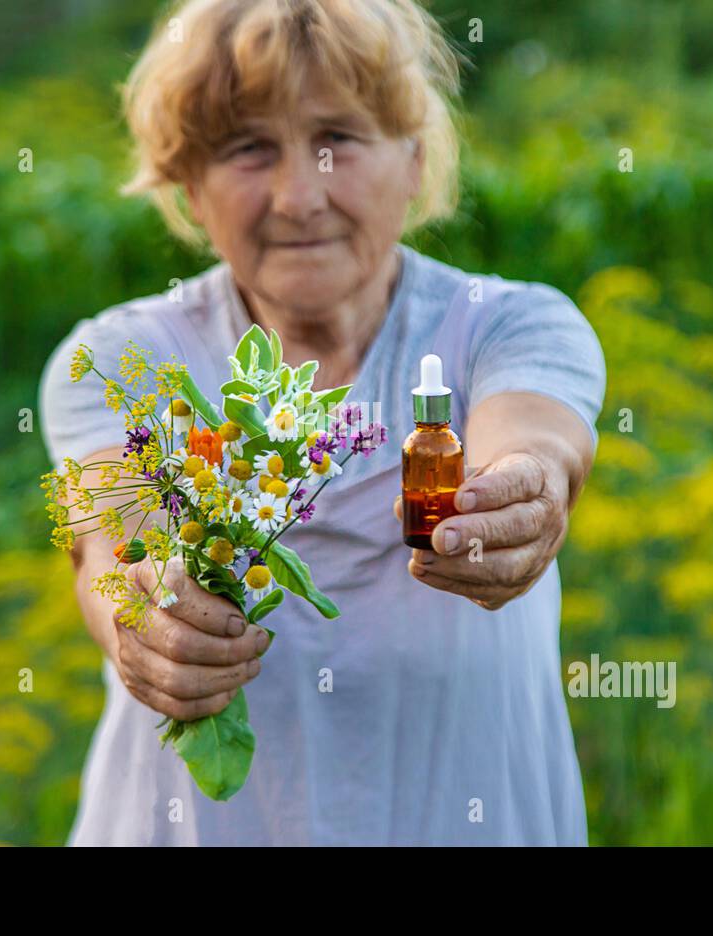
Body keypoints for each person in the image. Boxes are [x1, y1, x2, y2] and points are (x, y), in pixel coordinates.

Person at [38, 0, 605, 845]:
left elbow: (536, 443)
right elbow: (115, 545)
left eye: (339, 138)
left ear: (415, 159)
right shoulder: (121, 361)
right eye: (247, 149)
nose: (299, 196)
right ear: (189, 185)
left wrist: (517, 500)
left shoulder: (508, 327)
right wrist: (147, 618)